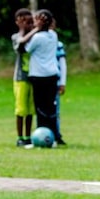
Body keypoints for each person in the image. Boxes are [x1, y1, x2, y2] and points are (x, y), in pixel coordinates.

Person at [17, 9, 66, 147]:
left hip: (39, 76)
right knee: (51, 109)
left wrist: (35, 30)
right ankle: (54, 138)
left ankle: (42, 137)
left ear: (40, 22)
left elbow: (23, 46)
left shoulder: (37, 38)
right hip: (52, 75)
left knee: (40, 109)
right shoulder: (53, 35)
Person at [10, 8, 34, 148]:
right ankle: (19, 137)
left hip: (34, 77)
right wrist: (26, 31)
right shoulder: (15, 37)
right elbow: (20, 48)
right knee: (21, 109)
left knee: (31, 110)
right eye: (24, 21)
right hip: (21, 78)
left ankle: (28, 136)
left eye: (30, 21)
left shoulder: (35, 37)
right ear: (17, 22)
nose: (27, 24)